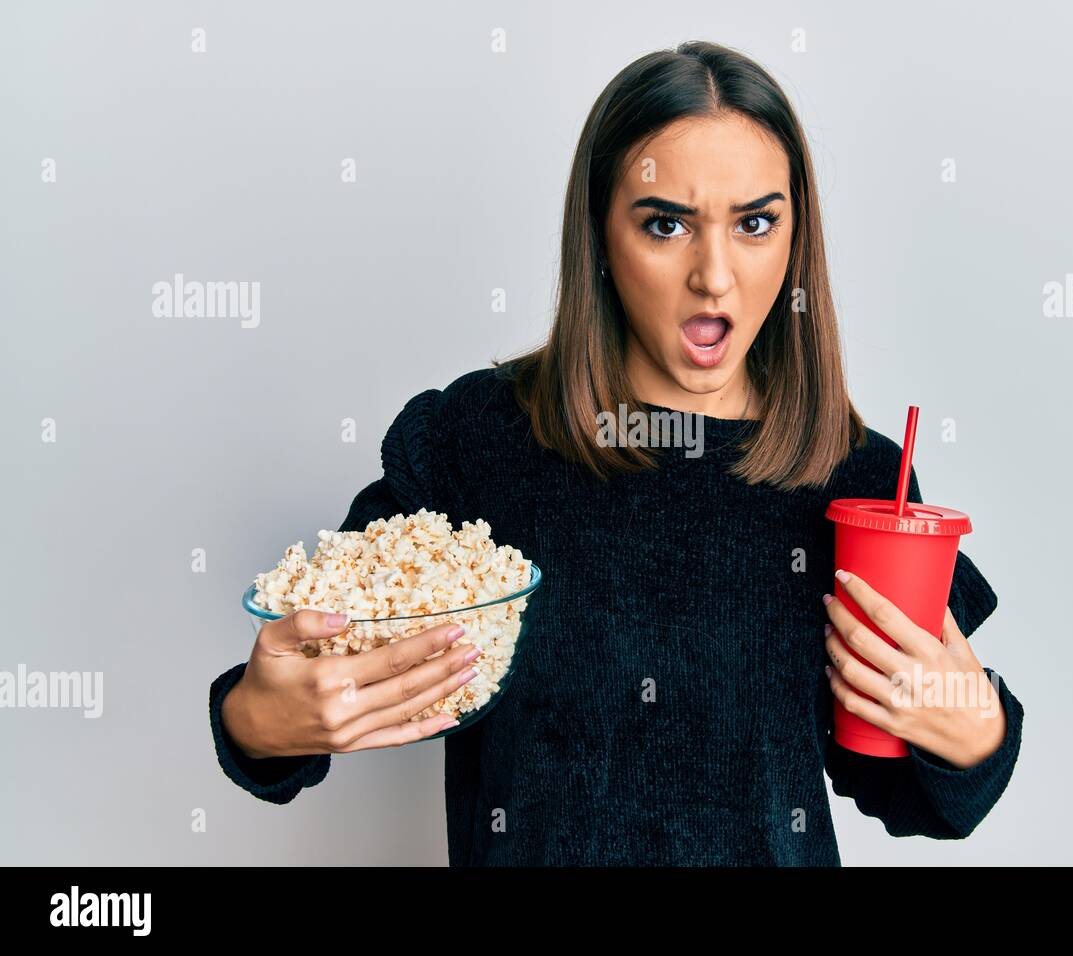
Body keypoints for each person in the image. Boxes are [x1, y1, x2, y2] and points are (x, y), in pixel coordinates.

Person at [211, 39, 1024, 866]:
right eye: (666, 224)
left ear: (796, 235)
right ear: (600, 234)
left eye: (755, 223)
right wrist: (255, 723)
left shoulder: (860, 484)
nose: (714, 276)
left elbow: (906, 789)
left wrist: (976, 733)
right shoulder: (476, 439)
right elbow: (311, 683)